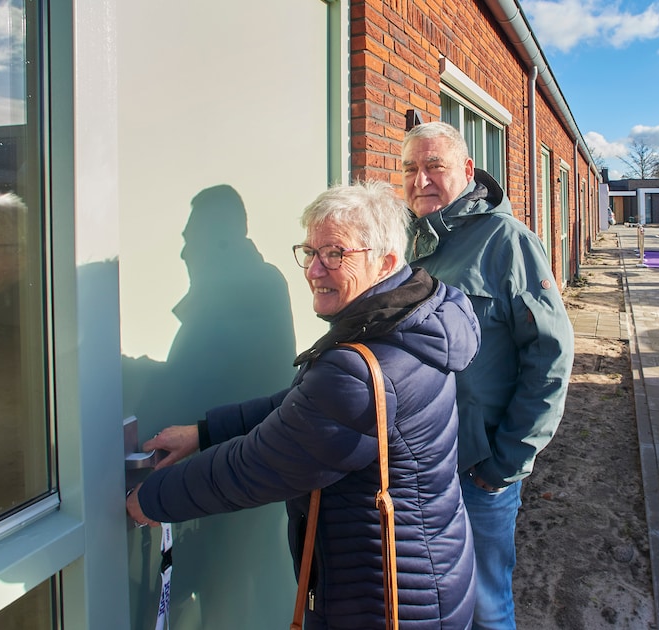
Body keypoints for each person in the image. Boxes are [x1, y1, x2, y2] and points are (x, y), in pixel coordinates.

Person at [127, 180, 481, 627]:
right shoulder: (409, 318)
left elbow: (258, 466)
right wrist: (206, 432)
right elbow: (307, 405)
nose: (314, 270)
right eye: (310, 252)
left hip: (386, 602)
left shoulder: (367, 366)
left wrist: (154, 497)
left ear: (385, 262)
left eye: (335, 254)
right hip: (427, 573)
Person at [401, 121, 574, 629]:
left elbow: (550, 356)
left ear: (468, 170)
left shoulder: (507, 242)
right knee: (426, 599)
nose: (421, 179)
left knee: (485, 606)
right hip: (413, 468)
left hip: (476, 468)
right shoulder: (404, 241)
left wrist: (506, 462)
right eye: (410, 168)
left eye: (435, 166)